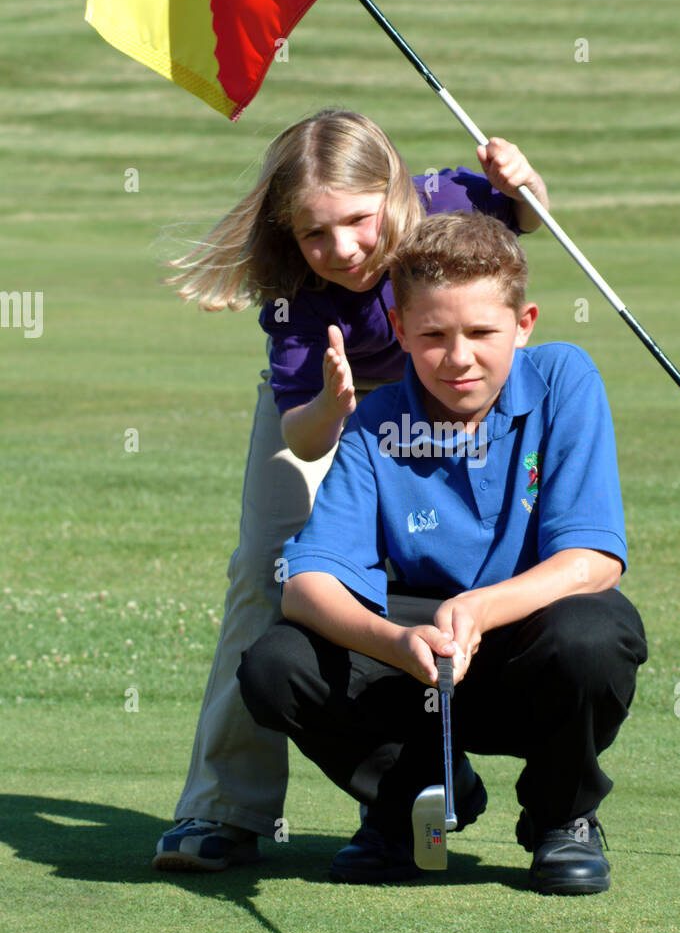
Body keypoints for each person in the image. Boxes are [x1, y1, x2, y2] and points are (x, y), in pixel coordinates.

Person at [153, 111, 550, 871]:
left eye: (361, 221)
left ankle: (410, 784)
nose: (342, 251)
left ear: (396, 190)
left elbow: (530, 217)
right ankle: (225, 808)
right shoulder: (296, 293)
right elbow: (302, 438)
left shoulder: (448, 198)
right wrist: (335, 407)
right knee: (269, 571)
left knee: (427, 564)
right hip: (320, 402)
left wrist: (524, 181)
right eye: (314, 233)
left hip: (436, 370)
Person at [237, 212, 648, 895]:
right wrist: (396, 641)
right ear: (399, 331)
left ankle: (561, 816)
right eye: (432, 335)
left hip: (526, 642)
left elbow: (594, 559)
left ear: (524, 323)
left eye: (483, 333)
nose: (458, 357)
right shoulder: (375, 422)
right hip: (416, 655)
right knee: (275, 665)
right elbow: (304, 584)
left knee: (594, 633)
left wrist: (481, 607)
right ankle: (409, 800)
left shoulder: (565, 378)